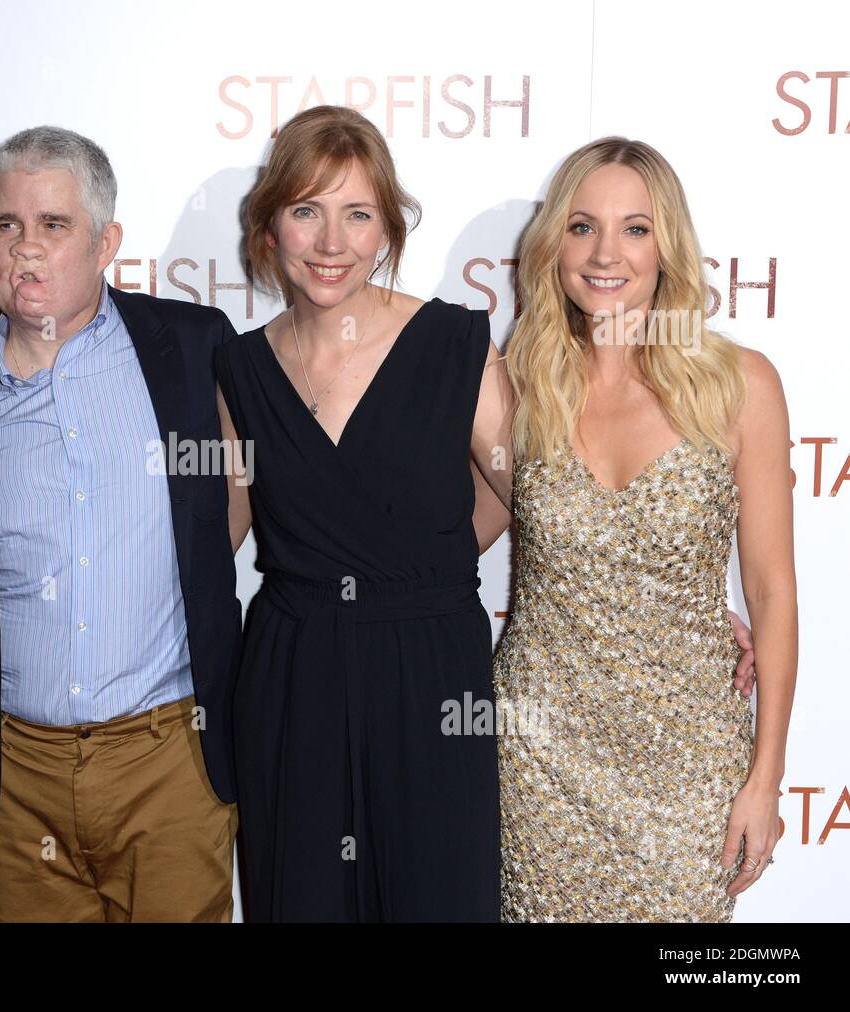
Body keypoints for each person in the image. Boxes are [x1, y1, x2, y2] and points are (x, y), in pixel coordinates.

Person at [0, 127, 243, 922]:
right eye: (7, 226)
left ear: (106, 242)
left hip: (169, 762)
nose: (26, 249)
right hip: (14, 775)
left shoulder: (194, 349)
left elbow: (233, 507)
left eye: (53, 225)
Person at [215, 105, 515, 921]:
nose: (330, 241)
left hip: (432, 674)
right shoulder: (240, 367)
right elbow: (221, 539)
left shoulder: (455, 345)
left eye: (357, 214)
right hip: (291, 678)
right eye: (305, 210)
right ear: (270, 224)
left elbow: (521, 497)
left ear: (387, 228)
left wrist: (424, 568)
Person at [486, 137, 797, 921]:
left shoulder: (740, 384)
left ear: (669, 249)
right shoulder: (516, 386)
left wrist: (765, 779)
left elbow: (771, 588)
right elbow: (450, 540)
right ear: (554, 243)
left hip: (692, 760)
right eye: (583, 226)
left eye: (635, 228)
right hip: (540, 760)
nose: (605, 253)